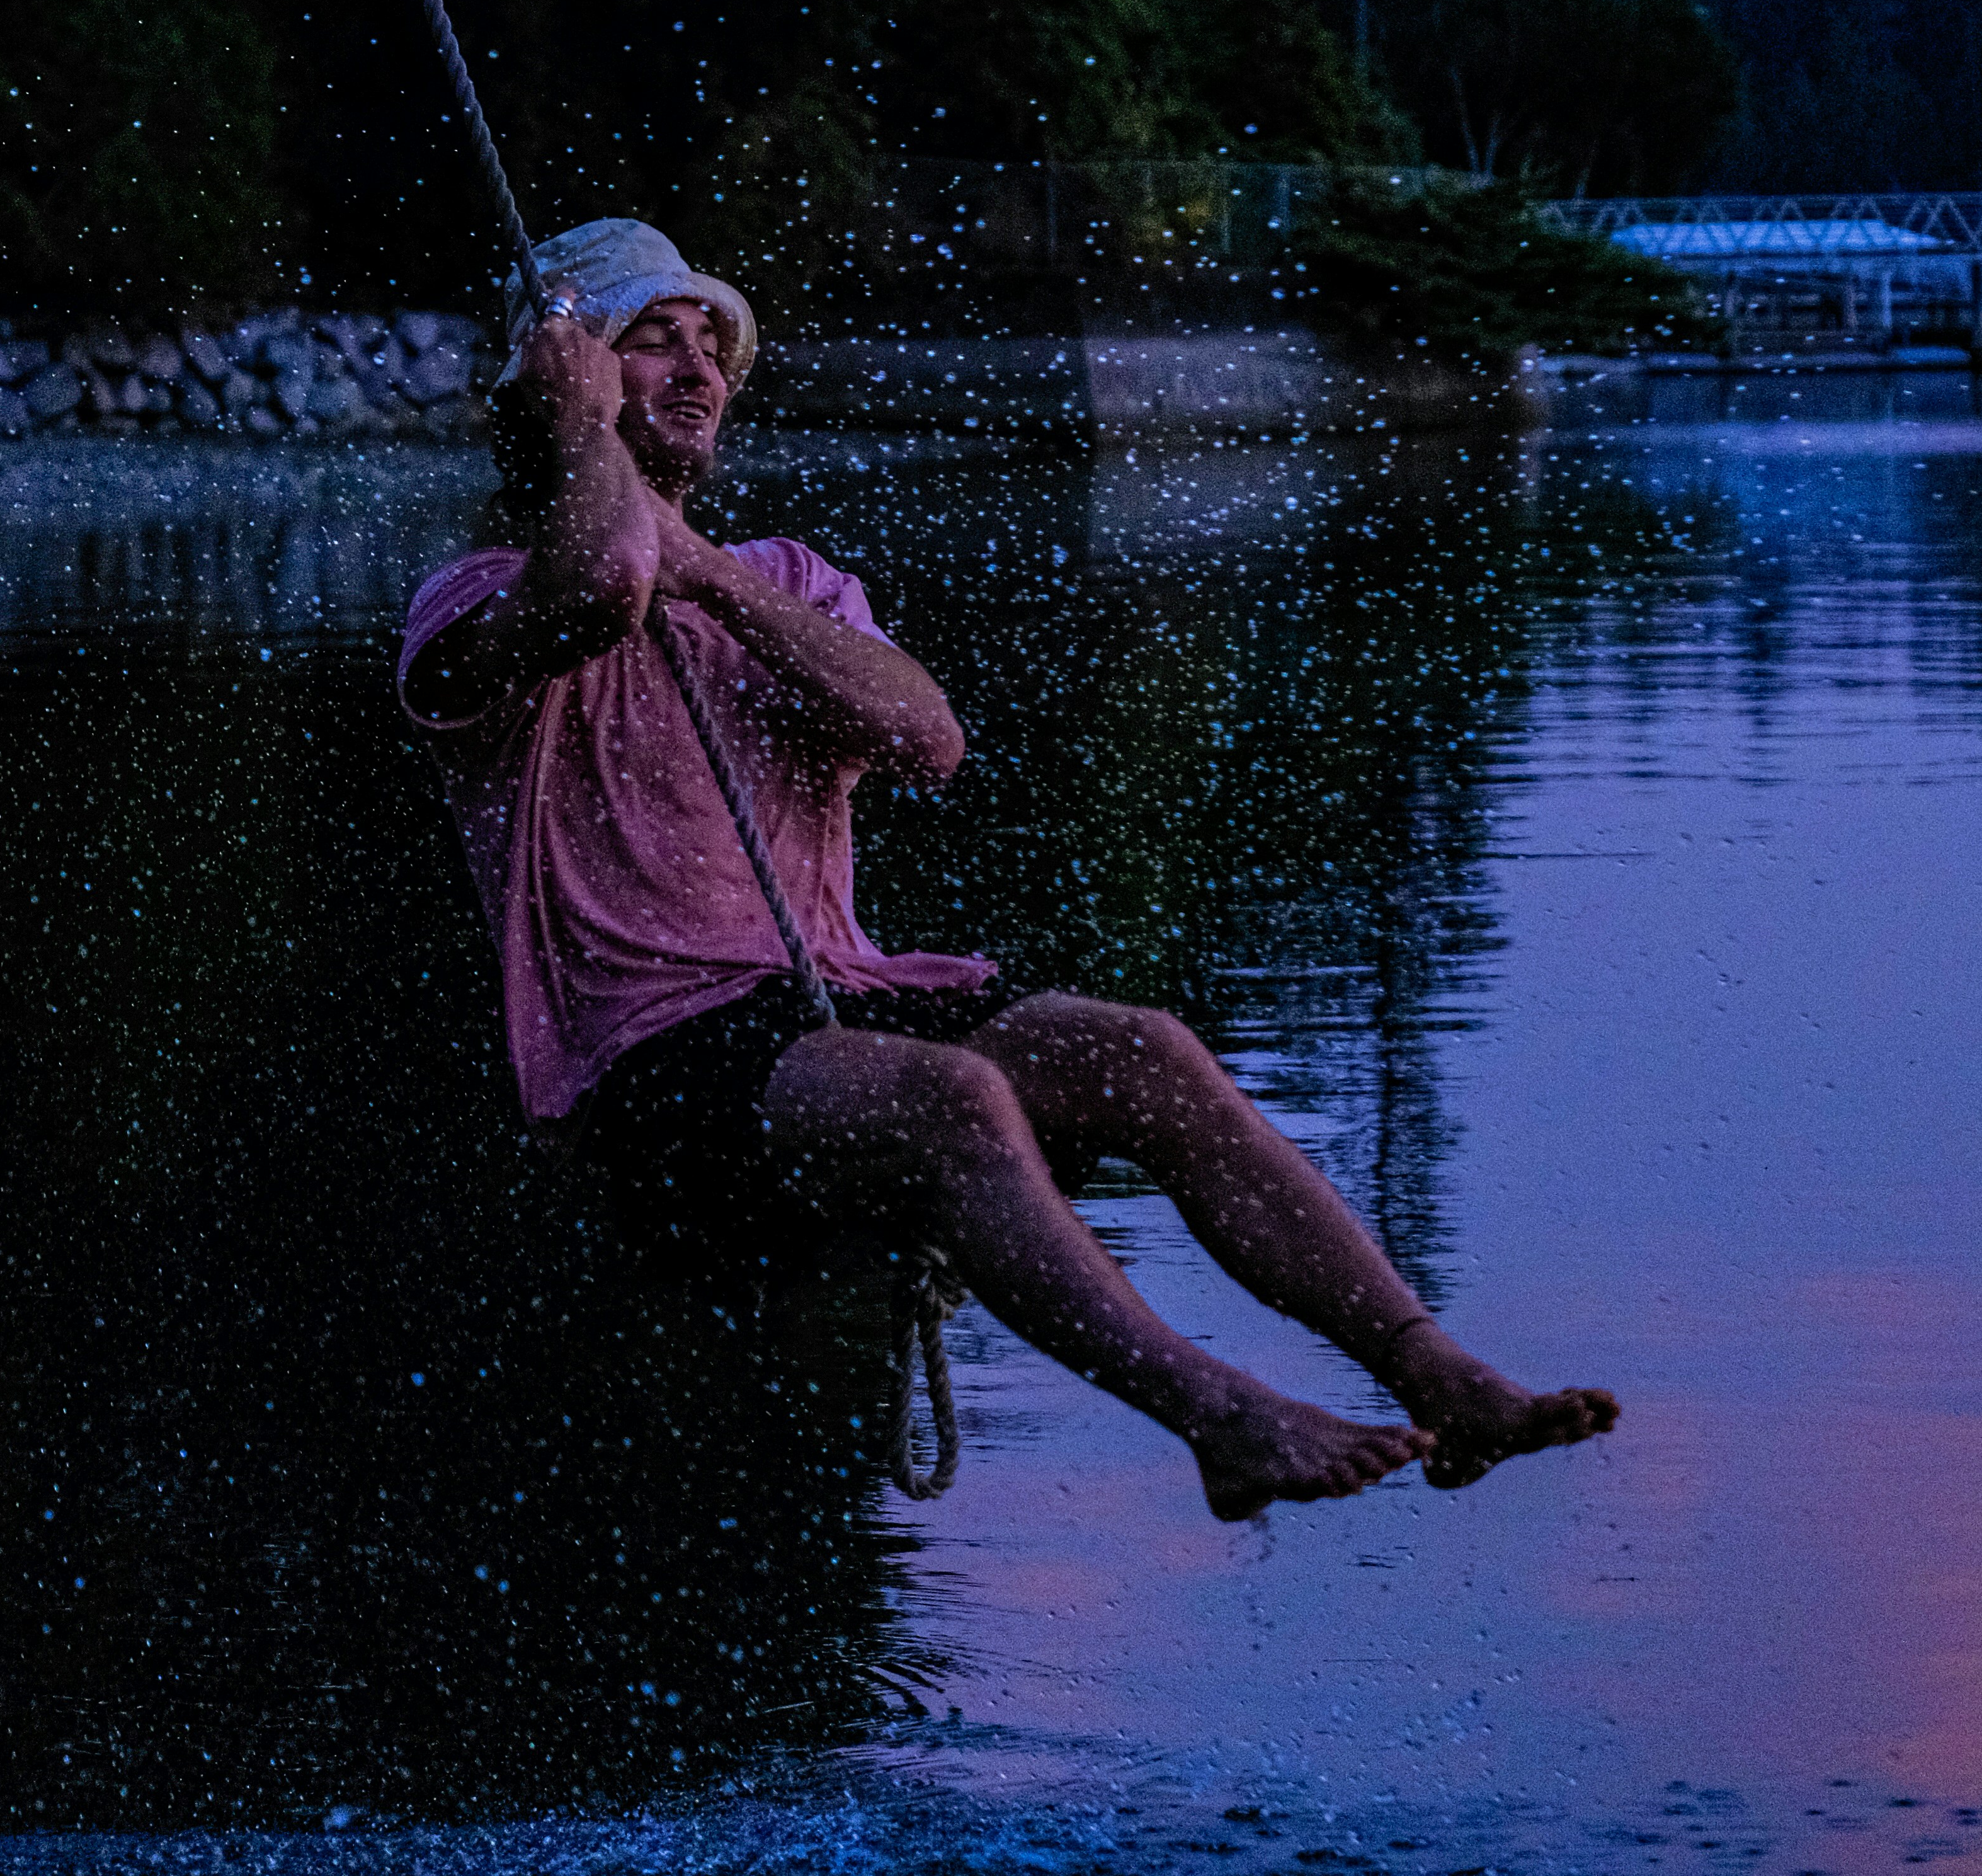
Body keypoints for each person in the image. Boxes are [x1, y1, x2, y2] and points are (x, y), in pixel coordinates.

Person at [399, 219, 1619, 1523]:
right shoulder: (469, 601)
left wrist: (708, 574)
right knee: (955, 1098)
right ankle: (1220, 1420)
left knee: (1143, 1051)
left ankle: (1433, 1371)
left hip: (829, 1003)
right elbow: (595, 590)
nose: (698, 369)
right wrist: (583, 435)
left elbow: (926, 738)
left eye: (714, 347)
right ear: (557, 379)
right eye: (651, 343)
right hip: (650, 1070)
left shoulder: (791, 581)